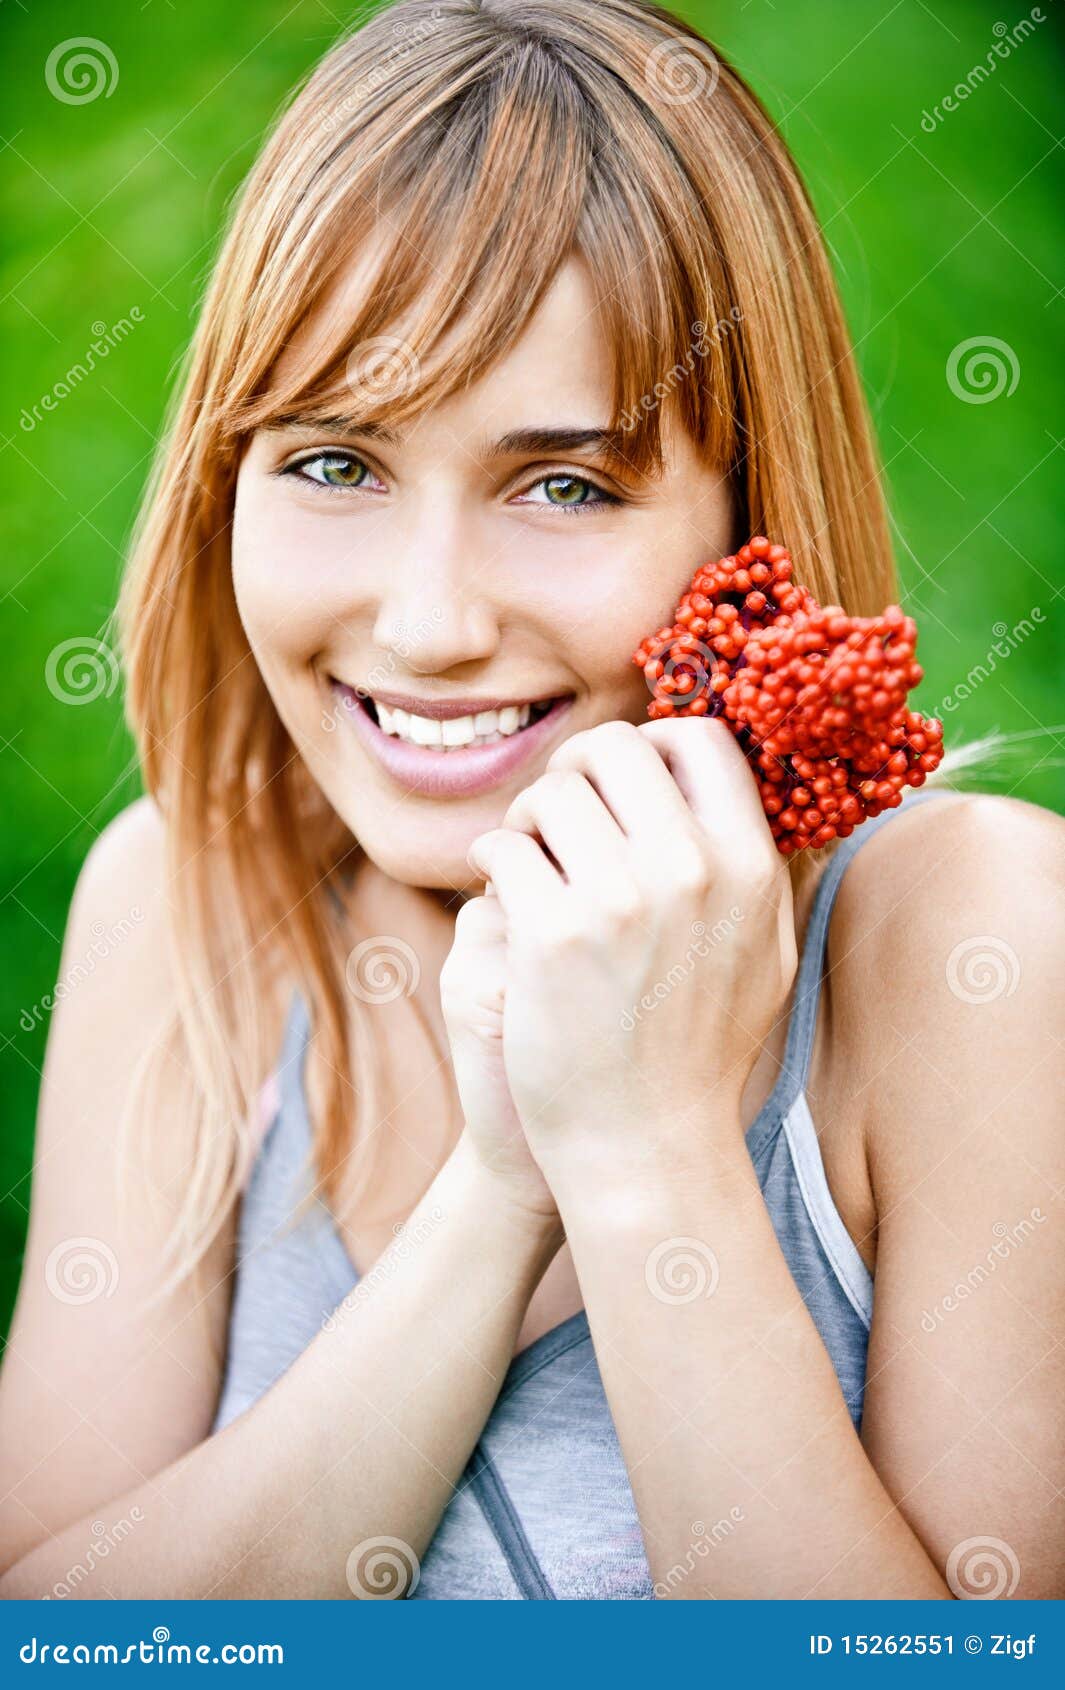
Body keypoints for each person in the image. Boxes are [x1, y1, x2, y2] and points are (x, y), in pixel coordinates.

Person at [1, 0, 1061, 1601]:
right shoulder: (182, 899)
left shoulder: (969, 941)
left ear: (743, 526)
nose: (426, 622)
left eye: (563, 485)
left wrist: (644, 1153)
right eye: (335, 462)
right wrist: (503, 1193)